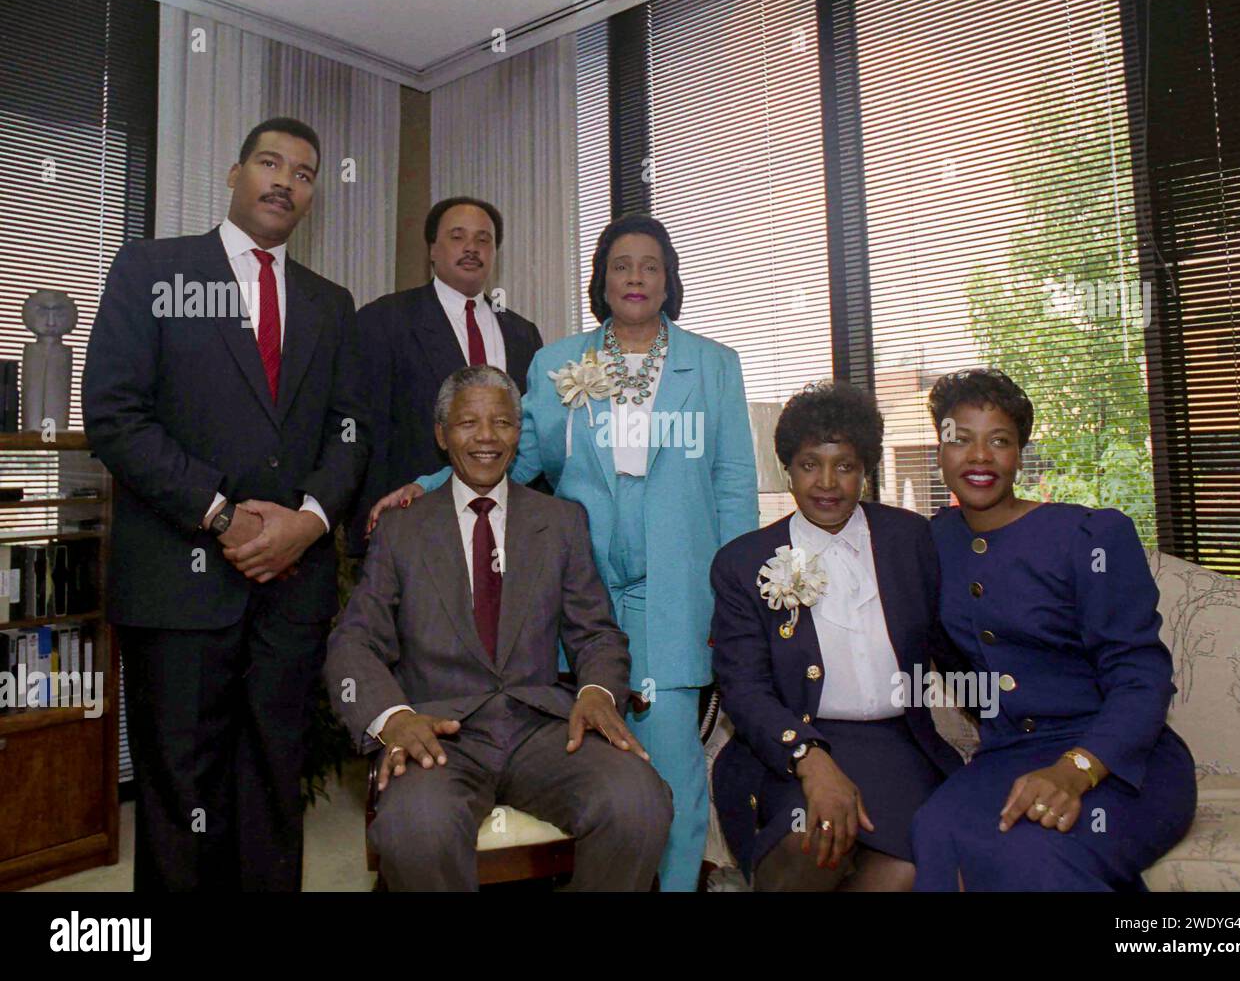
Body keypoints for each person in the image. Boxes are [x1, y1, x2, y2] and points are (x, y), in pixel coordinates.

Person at [367, 214, 758, 891]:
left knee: (667, 778)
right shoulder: (558, 365)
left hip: (674, 602)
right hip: (578, 603)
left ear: (669, 281)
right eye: (620, 266)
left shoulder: (715, 365)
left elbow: (733, 491)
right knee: (589, 773)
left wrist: (736, 605)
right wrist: (426, 488)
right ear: (601, 281)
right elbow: (507, 458)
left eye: (650, 266)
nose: (635, 278)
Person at [82, 117, 369, 891]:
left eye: (304, 173)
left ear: (313, 195)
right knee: (182, 796)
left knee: (275, 784)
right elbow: (113, 414)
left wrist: (308, 522)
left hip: (291, 589)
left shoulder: (330, 303)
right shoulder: (152, 269)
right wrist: (219, 513)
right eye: (269, 163)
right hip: (180, 581)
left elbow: (350, 431)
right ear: (235, 173)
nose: (285, 181)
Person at [325, 365, 672, 891]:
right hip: (440, 735)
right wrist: (392, 718)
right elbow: (354, 641)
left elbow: (596, 633)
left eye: (503, 423)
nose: (486, 437)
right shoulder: (402, 530)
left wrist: (598, 690)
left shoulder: (560, 522)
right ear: (442, 435)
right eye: (468, 423)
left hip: (543, 731)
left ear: (518, 433)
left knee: (638, 800)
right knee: (415, 827)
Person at [911, 367, 1196, 891]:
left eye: (999, 441)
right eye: (960, 441)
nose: (979, 457)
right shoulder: (933, 541)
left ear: (1020, 453)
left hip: (1121, 760)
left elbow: (1141, 675)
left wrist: (1076, 768)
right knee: (935, 832)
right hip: (1010, 756)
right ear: (940, 454)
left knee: (1035, 852)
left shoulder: (1089, 535)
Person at [709, 381, 964, 890]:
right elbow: (743, 689)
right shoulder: (742, 562)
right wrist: (808, 757)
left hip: (897, 745)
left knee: (913, 868)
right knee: (814, 839)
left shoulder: (910, 539)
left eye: (844, 465)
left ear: (865, 470)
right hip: (789, 744)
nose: (826, 483)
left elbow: (955, 646)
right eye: (809, 464)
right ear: (788, 467)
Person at [347, 196, 543, 554]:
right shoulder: (385, 320)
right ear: (432, 251)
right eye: (457, 237)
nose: (472, 248)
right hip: (414, 529)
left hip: (508, 532)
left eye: (483, 239)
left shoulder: (523, 333)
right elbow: (363, 429)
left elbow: (530, 432)